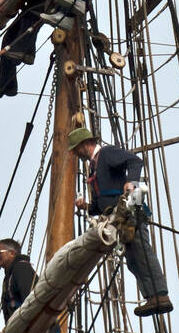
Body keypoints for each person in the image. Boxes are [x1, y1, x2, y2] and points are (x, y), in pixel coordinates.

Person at [68, 126, 173, 318]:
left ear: (85, 144)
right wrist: (87, 207)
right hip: (118, 216)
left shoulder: (106, 154)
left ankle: (160, 295)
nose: (75, 152)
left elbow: (135, 161)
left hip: (130, 210)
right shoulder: (94, 165)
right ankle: (152, 297)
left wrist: (132, 182)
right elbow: (102, 203)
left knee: (141, 251)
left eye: (75, 148)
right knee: (133, 259)